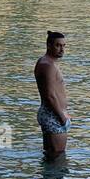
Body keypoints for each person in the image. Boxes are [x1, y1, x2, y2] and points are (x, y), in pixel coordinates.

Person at [35, 31, 70, 160]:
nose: (62, 49)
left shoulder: (45, 62)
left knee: (51, 155)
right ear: (49, 45)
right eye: (58, 45)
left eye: (63, 46)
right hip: (53, 115)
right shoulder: (47, 65)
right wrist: (61, 116)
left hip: (52, 114)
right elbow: (50, 95)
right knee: (58, 157)